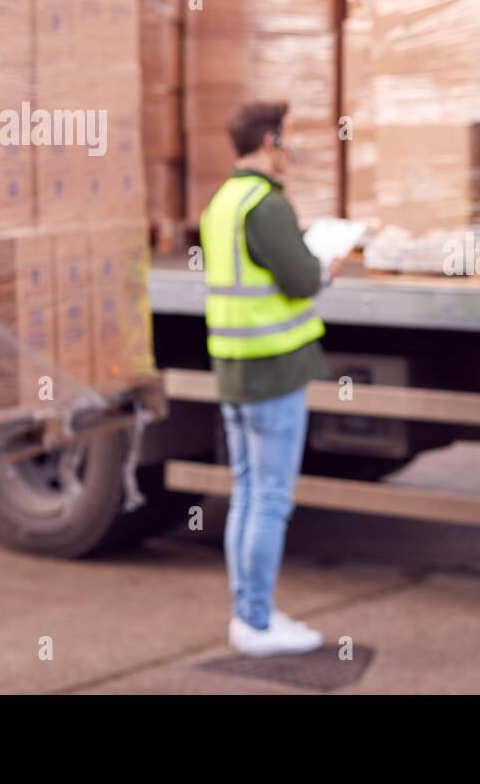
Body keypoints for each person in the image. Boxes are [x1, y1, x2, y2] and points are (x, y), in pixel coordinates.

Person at [200, 102, 339, 657]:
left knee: (248, 493)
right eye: (287, 139)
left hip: (235, 370)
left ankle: (249, 613)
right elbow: (301, 278)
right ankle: (256, 622)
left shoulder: (223, 202)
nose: (290, 151)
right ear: (269, 139)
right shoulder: (265, 204)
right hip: (273, 370)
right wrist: (323, 268)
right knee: (270, 499)